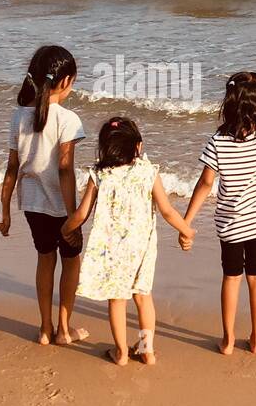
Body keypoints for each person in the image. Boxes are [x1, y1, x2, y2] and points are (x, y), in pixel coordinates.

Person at [63, 116, 195, 365]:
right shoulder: (148, 172)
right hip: (142, 248)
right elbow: (167, 211)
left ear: (104, 148)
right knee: (144, 297)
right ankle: (147, 350)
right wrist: (186, 230)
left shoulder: (100, 175)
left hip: (112, 250)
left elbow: (81, 214)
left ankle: (122, 352)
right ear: (138, 146)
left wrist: (65, 229)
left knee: (117, 299)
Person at [181, 71, 256, 355]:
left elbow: (205, 184)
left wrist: (186, 222)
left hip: (229, 225)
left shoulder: (218, 142)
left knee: (231, 277)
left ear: (228, 104)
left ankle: (227, 341)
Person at [0, 44, 89, 346]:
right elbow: (65, 170)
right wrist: (74, 215)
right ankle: (64, 329)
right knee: (71, 261)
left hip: (32, 204)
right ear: (65, 82)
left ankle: (45, 329)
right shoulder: (68, 119)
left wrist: (4, 210)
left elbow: (11, 168)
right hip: (61, 206)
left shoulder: (18, 116)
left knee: (45, 258)